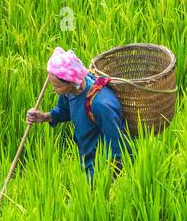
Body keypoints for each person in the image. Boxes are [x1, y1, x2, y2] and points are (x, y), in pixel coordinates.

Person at [26, 47, 128, 180]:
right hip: (87, 158)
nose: (54, 89)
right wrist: (46, 116)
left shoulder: (101, 104)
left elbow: (117, 145)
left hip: (100, 167)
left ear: (73, 82)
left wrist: (108, 180)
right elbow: (65, 110)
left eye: (57, 86)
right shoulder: (70, 91)